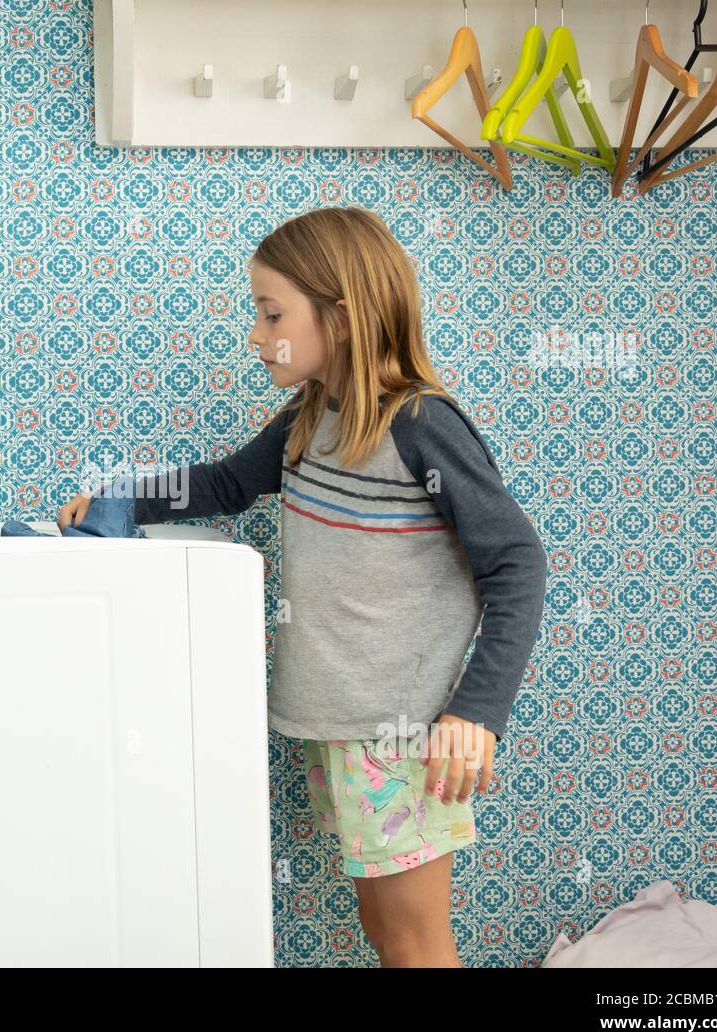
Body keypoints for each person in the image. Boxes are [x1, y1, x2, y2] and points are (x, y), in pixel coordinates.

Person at [58, 206, 547, 967]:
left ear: (343, 319)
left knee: (417, 940)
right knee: (385, 930)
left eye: (271, 313)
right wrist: (125, 497)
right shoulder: (313, 413)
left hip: (401, 730)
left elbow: (516, 560)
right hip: (341, 723)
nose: (257, 334)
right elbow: (227, 482)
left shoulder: (419, 424)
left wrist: (477, 711)